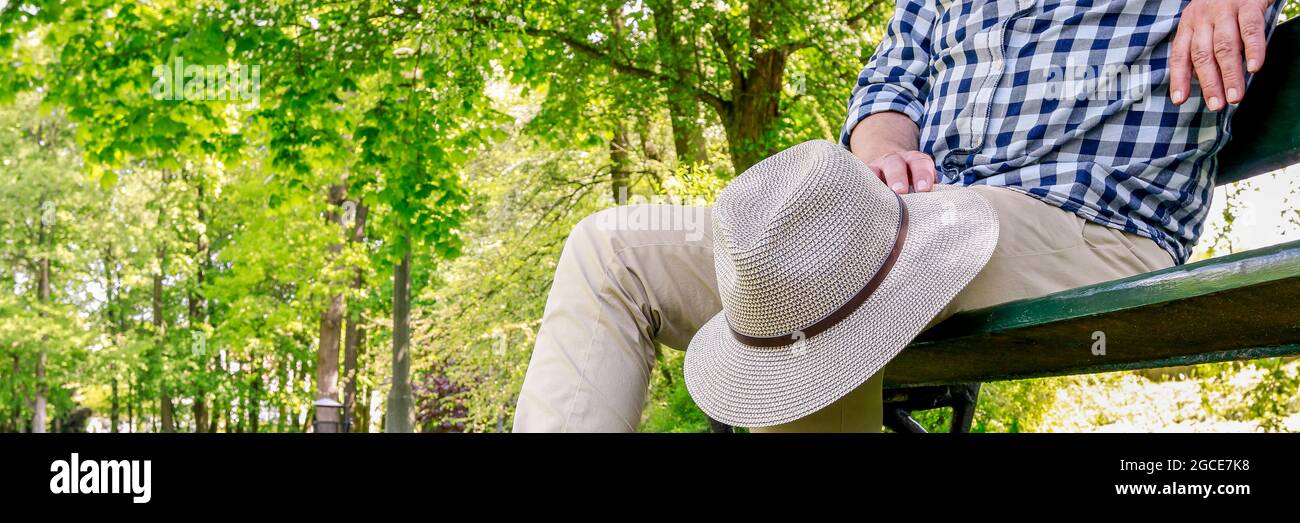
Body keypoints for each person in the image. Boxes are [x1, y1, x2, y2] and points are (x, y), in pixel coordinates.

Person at [512, 0, 1288, 432]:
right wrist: (883, 151)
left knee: (837, 280)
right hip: (917, 216)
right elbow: (891, 79)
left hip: (1088, 220)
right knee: (613, 248)